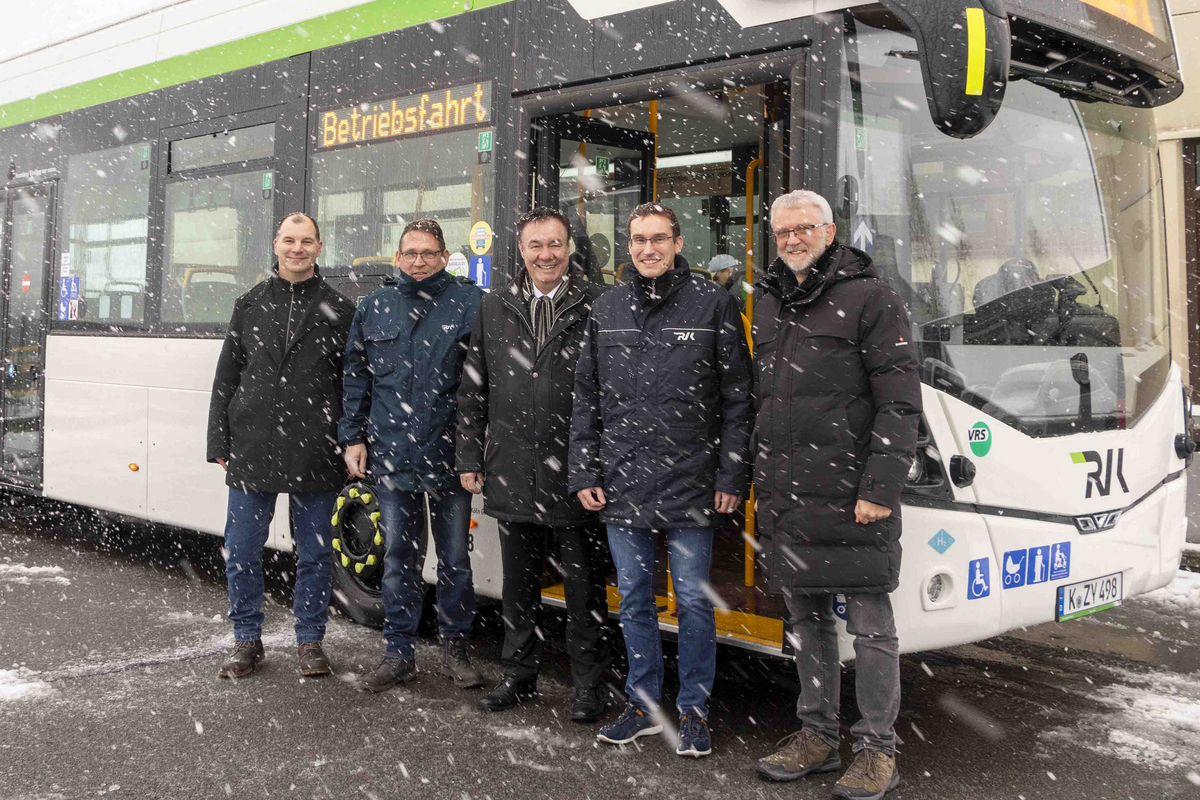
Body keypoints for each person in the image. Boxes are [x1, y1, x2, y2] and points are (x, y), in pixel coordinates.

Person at [569, 202, 753, 758]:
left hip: (693, 482)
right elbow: (586, 399)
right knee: (634, 599)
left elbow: (738, 400)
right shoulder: (605, 308)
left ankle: (694, 708)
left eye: (659, 239)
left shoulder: (713, 304)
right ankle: (644, 705)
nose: (648, 249)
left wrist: (732, 476)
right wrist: (584, 469)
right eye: (638, 240)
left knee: (694, 603)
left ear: (677, 243)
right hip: (622, 480)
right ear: (627, 247)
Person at [752, 190, 920, 800]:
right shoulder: (768, 302)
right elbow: (766, 402)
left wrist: (880, 486)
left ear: (830, 232)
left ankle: (877, 749)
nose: (793, 239)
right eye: (783, 231)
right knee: (808, 622)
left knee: (872, 628)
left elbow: (899, 403)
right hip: (790, 497)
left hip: (854, 497)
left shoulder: (872, 299)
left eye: (805, 228)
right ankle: (817, 736)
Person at [457, 207, 612, 721]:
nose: (545, 255)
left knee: (583, 589)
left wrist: (597, 463)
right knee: (518, 588)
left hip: (575, 471)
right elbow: (473, 390)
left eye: (554, 244)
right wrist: (469, 456)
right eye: (535, 246)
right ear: (520, 251)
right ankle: (518, 676)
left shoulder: (598, 304)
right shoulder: (495, 305)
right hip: (511, 466)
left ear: (569, 248)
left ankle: (589, 686)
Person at [206, 212, 355, 680]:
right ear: (275, 245)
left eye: (305, 241)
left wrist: (351, 438)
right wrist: (218, 438)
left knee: (315, 553)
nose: (297, 248)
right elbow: (226, 376)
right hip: (253, 442)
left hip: (317, 445)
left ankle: (310, 642)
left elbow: (353, 382)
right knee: (243, 549)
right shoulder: (248, 304)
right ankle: (246, 641)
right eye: (289, 240)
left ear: (319, 246)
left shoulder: (341, 308)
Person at [340, 218, 485, 693]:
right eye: (410, 253)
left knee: (454, 562)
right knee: (399, 556)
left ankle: (456, 650)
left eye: (428, 253)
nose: (418, 261)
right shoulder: (374, 307)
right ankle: (398, 654)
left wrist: (475, 453)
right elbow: (356, 378)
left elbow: (483, 386)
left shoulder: (471, 304)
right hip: (391, 458)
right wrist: (353, 437)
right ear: (397, 257)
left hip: (450, 459)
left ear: (445, 257)